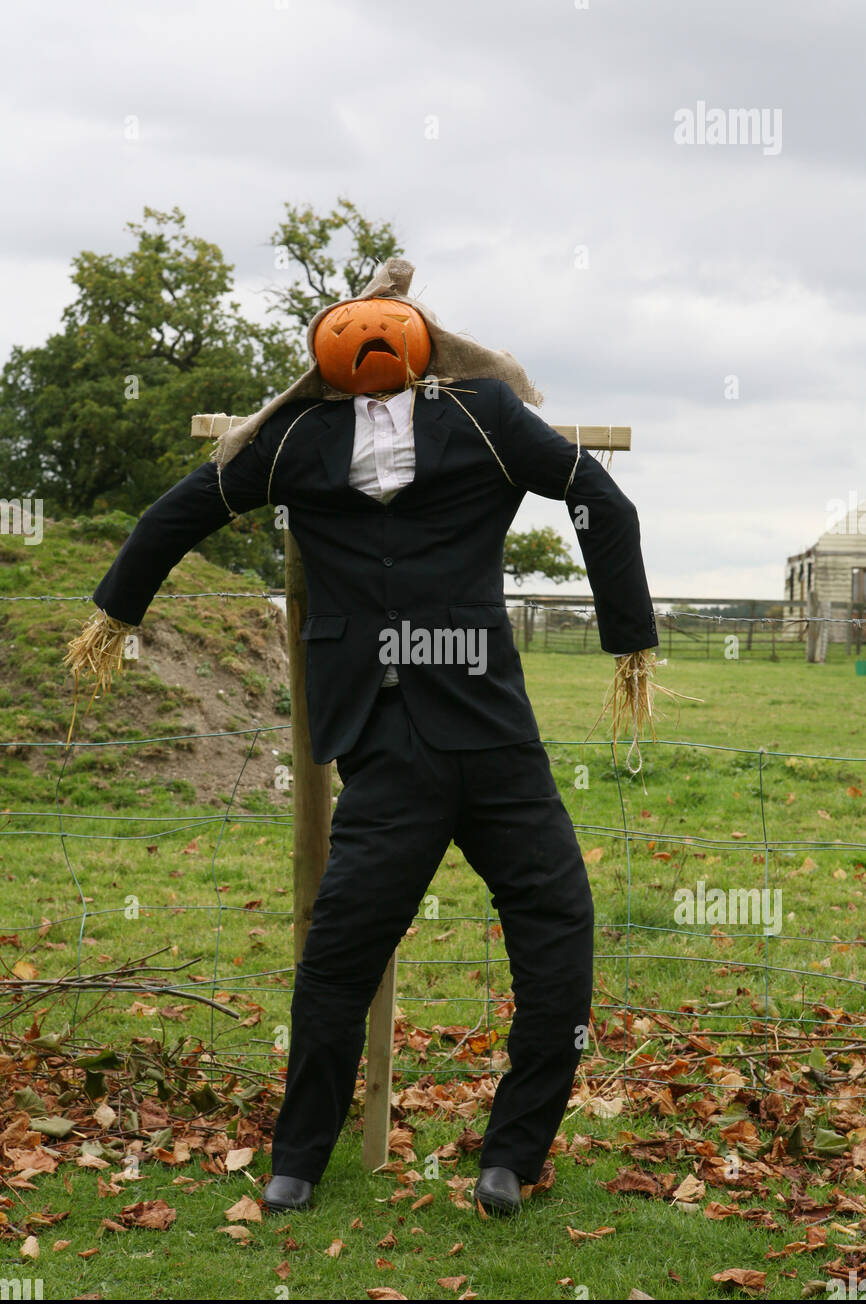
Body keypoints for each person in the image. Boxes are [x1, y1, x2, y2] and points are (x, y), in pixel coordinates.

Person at [69, 258, 658, 1216]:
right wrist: (116, 614)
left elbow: (600, 499)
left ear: (421, 342)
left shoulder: (484, 418)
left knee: (560, 944)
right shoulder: (299, 438)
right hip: (382, 748)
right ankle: (299, 1157)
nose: (371, 348)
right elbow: (185, 508)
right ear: (328, 355)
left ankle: (513, 1154)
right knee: (339, 953)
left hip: (496, 739)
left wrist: (629, 642)